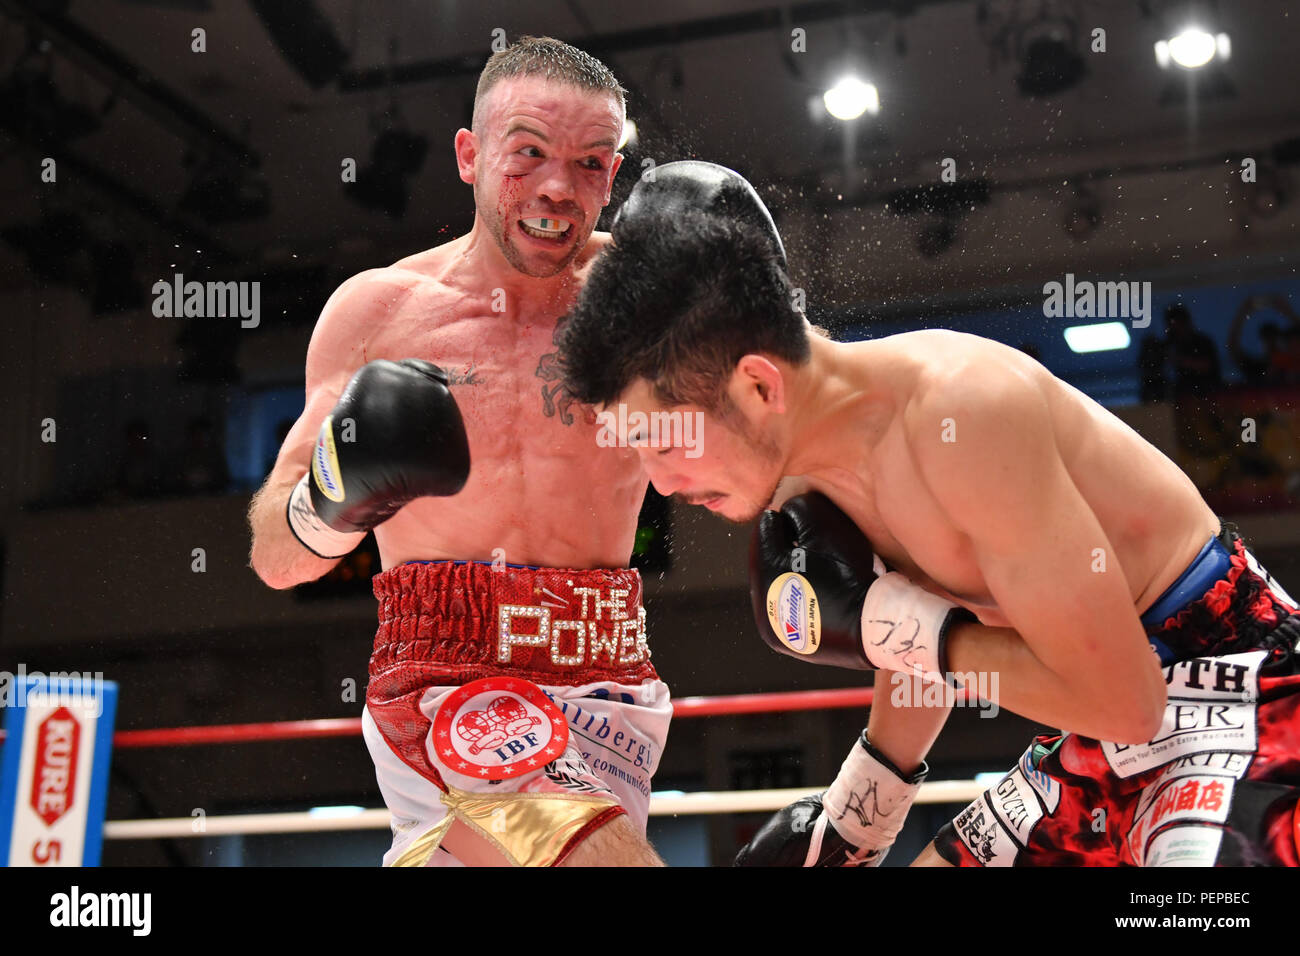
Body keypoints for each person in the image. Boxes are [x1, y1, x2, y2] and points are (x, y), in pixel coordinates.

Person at [557, 169, 1300, 866]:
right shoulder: (802, 479)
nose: (660, 479)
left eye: (663, 439)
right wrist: (858, 816)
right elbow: (930, 637)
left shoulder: (961, 413)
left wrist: (909, 631)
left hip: (1237, 685)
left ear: (757, 386)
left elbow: (1125, 701)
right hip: (1094, 728)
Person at [248, 36, 673, 867]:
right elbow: (275, 556)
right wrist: (332, 500)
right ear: (470, 156)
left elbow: (799, 399)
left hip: (611, 676)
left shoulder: (647, 295)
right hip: (443, 680)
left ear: (615, 177)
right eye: (529, 154)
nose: (558, 187)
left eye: (592, 163)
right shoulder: (378, 314)